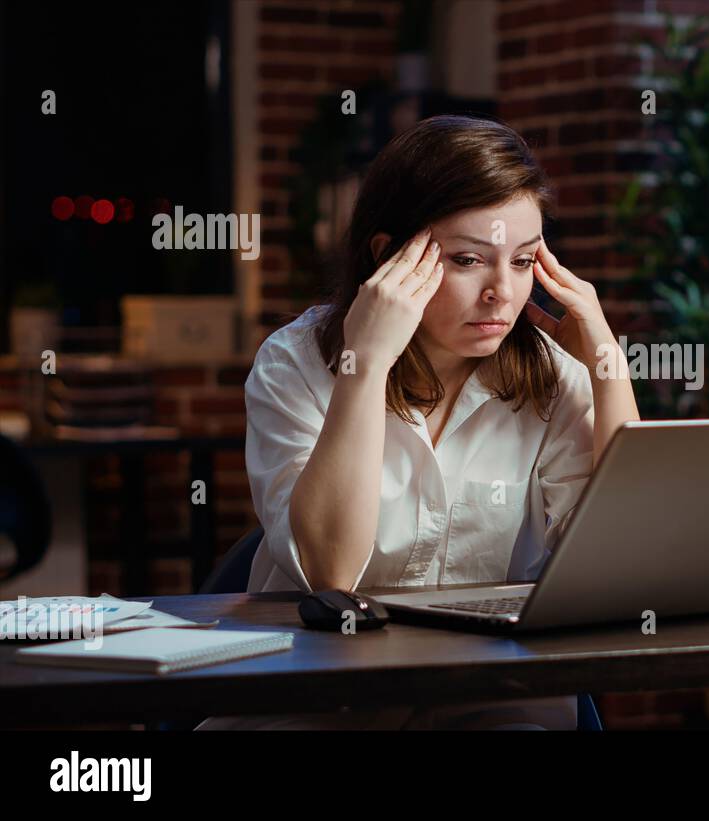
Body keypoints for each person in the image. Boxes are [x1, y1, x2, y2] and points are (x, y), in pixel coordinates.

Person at [200, 115, 638, 730]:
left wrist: (607, 369)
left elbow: (618, 564)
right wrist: (367, 364)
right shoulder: (294, 362)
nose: (501, 293)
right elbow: (332, 574)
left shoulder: (553, 376)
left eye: (521, 261)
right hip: (322, 697)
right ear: (387, 256)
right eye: (467, 260)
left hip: (491, 694)